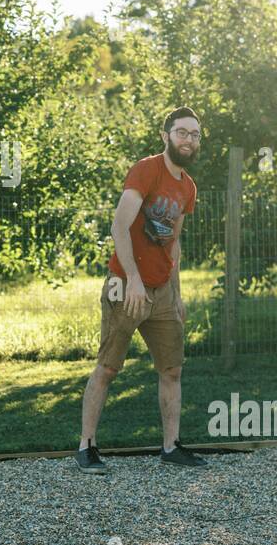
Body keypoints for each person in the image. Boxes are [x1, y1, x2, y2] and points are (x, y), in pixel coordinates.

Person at [76, 106, 202, 474]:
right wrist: (131, 277)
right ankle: (86, 447)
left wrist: (177, 295)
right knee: (108, 367)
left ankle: (170, 446)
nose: (188, 140)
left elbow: (173, 243)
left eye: (194, 134)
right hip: (125, 286)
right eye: (182, 132)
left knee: (172, 369)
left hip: (162, 291)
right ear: (166, 136)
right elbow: (119, 226)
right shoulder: (146, 170)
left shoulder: (188, 187)